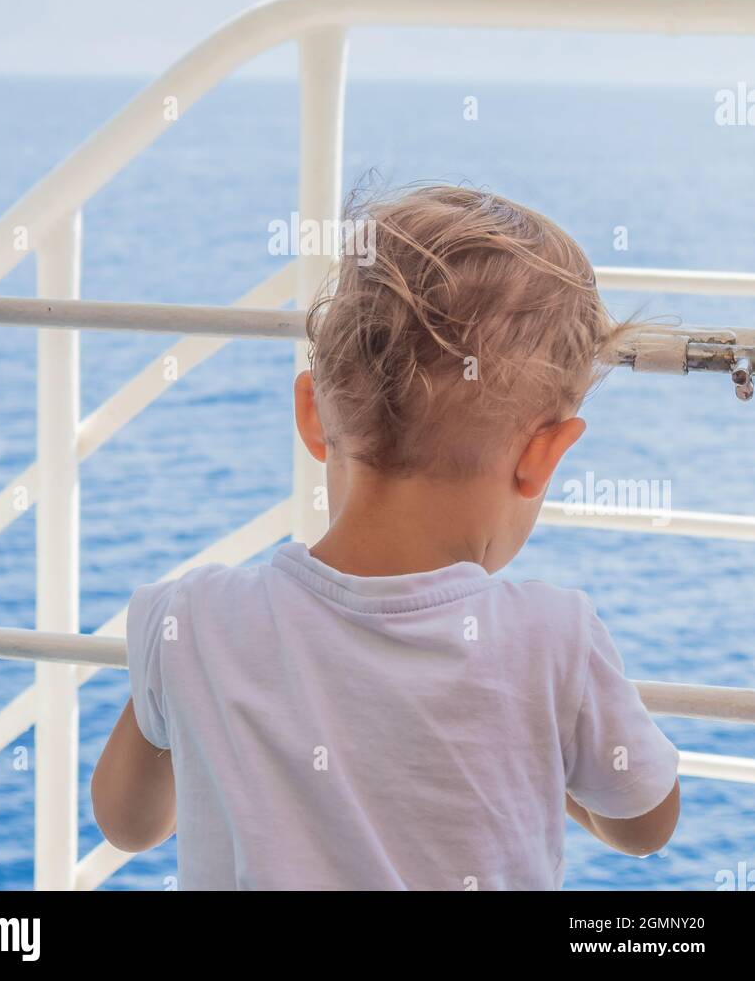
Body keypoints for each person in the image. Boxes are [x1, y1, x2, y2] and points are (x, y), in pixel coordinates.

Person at [92, 184, 679, 890]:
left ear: (314, 414)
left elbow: (126, 822)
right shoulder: (553, 640)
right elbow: (646, 824)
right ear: (543, 456)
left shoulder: (191, 620)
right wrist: (544, 759)